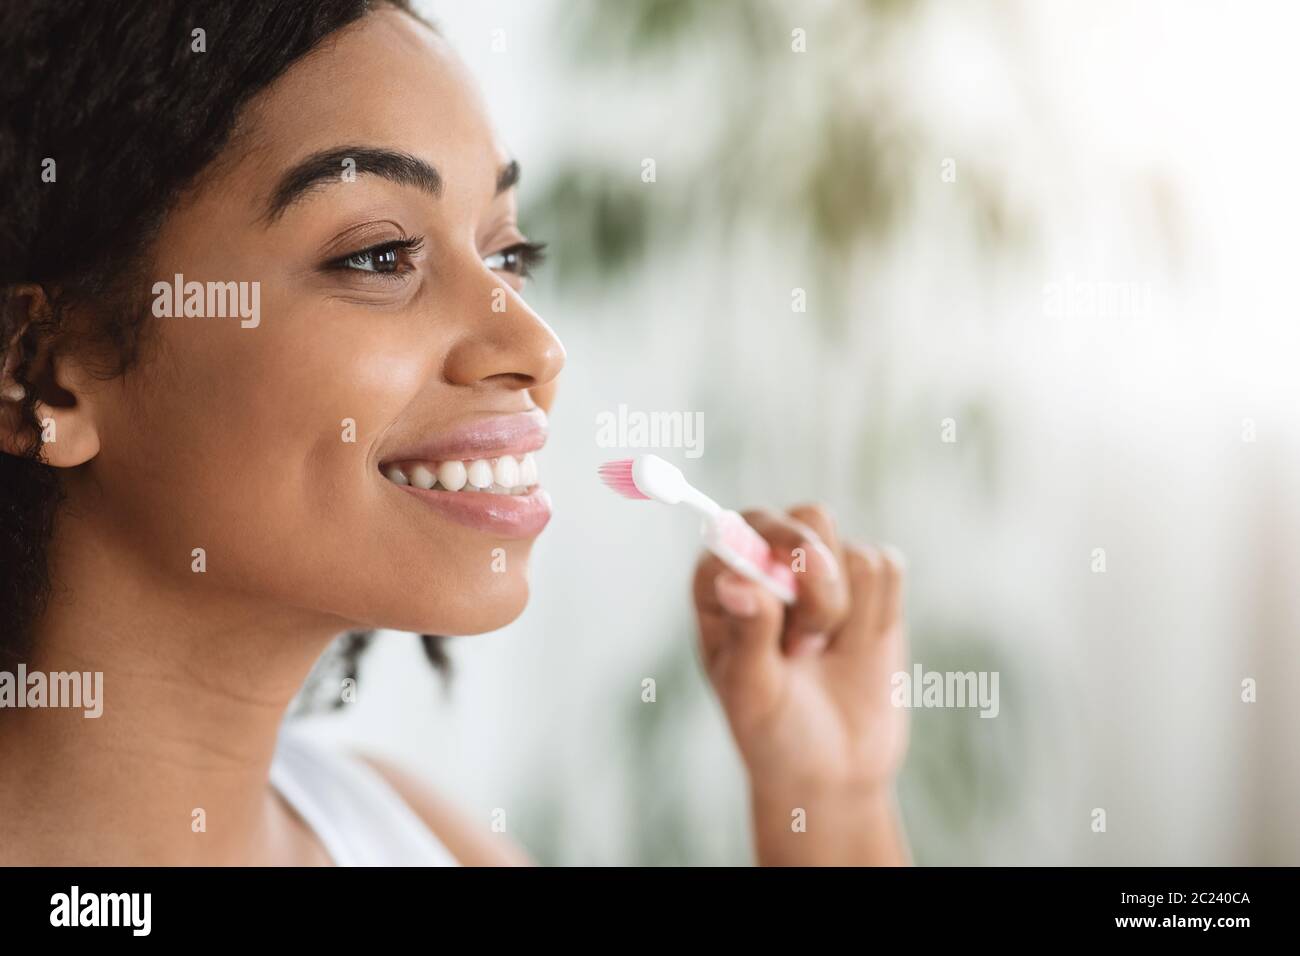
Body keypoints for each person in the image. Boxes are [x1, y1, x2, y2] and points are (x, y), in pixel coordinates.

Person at [0, 0, 910, 865]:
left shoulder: (422, 838)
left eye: (508, 254)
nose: (535, 345)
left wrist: (832, 803)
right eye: (379, 256)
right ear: (39, 373)